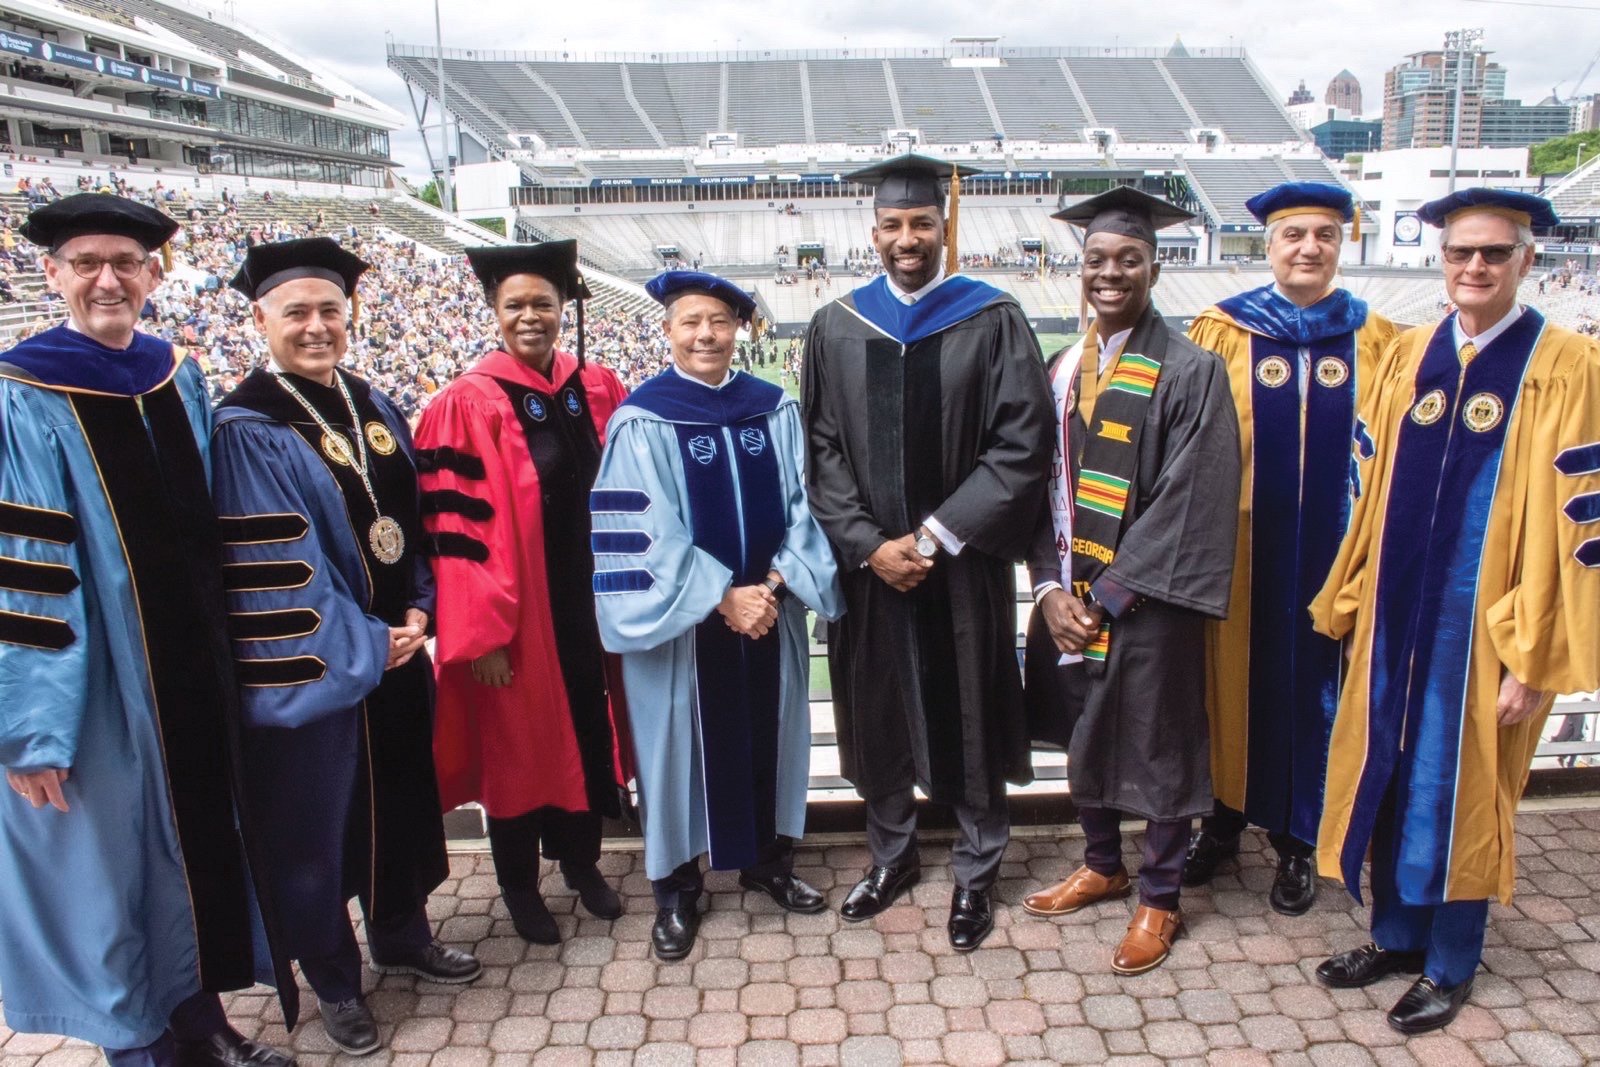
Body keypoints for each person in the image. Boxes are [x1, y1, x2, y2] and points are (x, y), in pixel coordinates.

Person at [0, 194, 297, 1067]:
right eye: (86, 262)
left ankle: (201, 1021)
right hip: (96, 688)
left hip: (194, 665)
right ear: (51, 272)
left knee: (200, 843)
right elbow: (26, 565)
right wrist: (31, 731)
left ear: (152, 274)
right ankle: (140, 1049)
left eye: (125, 262)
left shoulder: (175, 373)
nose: (107, 279)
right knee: (112, 870)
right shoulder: (23, 394)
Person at [1310, 189, 1600, 1034]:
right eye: (1460, 252)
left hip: (1485, 633)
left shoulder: (1568, 365)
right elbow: (1365, 492)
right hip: (1394, 622)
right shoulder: (1411, 354)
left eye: (1495, 253)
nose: (1475, 266)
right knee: (1392, 770)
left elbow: (1578, 525)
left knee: (1461, 786)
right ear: (1440, 259)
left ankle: (1450, 960)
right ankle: (1397, 936)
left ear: (1527, 261)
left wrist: (1534, 658)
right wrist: (1353, 595)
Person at [212, 238, 481, 1056]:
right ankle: (335, 980)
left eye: (330, 309)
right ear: (261, 320)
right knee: (317, 829)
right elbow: (276, 571)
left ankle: (402, 934)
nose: (316, 326)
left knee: (399, 805)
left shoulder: (372, 404)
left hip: (396, 652)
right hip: (323, 672)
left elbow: (414, 522)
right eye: (296, 312)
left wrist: (423, 606)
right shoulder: (247, 428)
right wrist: (371, 641)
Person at [801, 153, 1054, 951]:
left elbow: (1022, 443)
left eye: (920, 223)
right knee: (878, 709)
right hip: (873, 569)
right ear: (872, 231)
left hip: (961, 563)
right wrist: (868, 545)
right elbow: (820, 450)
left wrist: (935, 535)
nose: (906, 238)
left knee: (970, 705)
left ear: (944, 228)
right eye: (892, 224)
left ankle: (978, 869)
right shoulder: (838, 324)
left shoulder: (993, 318)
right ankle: (893, 855)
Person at [1019, 187, 1240, 975]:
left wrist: (1108, 595)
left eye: (1129, 259)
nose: (1110, 273)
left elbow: (1194, 495)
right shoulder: (1061, 369)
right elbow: (1035, 485)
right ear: (1079, 270)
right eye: (1097, 260)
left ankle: (1161, 896)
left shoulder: (1191, 370)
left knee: (1160, 741)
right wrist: (1049, 589)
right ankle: (1103, 863)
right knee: (1086, 727)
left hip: (1150, 603)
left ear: (1155, 268)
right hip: (1069, 596)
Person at [592, 270, 843, 959]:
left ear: (739, 330)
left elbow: (807, 505)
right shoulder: (642, 420)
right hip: (682, 631)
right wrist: (722, 597)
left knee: (773, 732)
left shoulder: (773, 408)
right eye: (691, 322)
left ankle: (768, 862)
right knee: (674, 751)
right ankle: (677, 889)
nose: (706, 334)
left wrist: (776, 582)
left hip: (770, 614)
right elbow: (640, 531)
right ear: (667, 330)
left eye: (720, 322)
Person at [1183, 182, 1398, 914]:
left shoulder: (1377, 339)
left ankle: (1301, 838)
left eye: (1324, 235)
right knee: (1227, 685)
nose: (1309, 248)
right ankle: (1223, 819)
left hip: (1334, 560)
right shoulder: (1222, 330)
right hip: (1240, 554)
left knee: (1318, 694)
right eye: (1294, 235)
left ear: (1343, 244)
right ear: (1268, 246)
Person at [414, 240, 631, 945]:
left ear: (564, 308)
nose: (531, 316)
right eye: (515, 305)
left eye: (543, 303)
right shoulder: (467, 402)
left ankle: (581, 862)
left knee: (587, 731)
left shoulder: (594, 385)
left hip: (591, 607)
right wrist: (482, 637)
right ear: (494, 310)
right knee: (518, 751)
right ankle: (517, 885)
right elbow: (455, 530)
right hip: (517, 619)